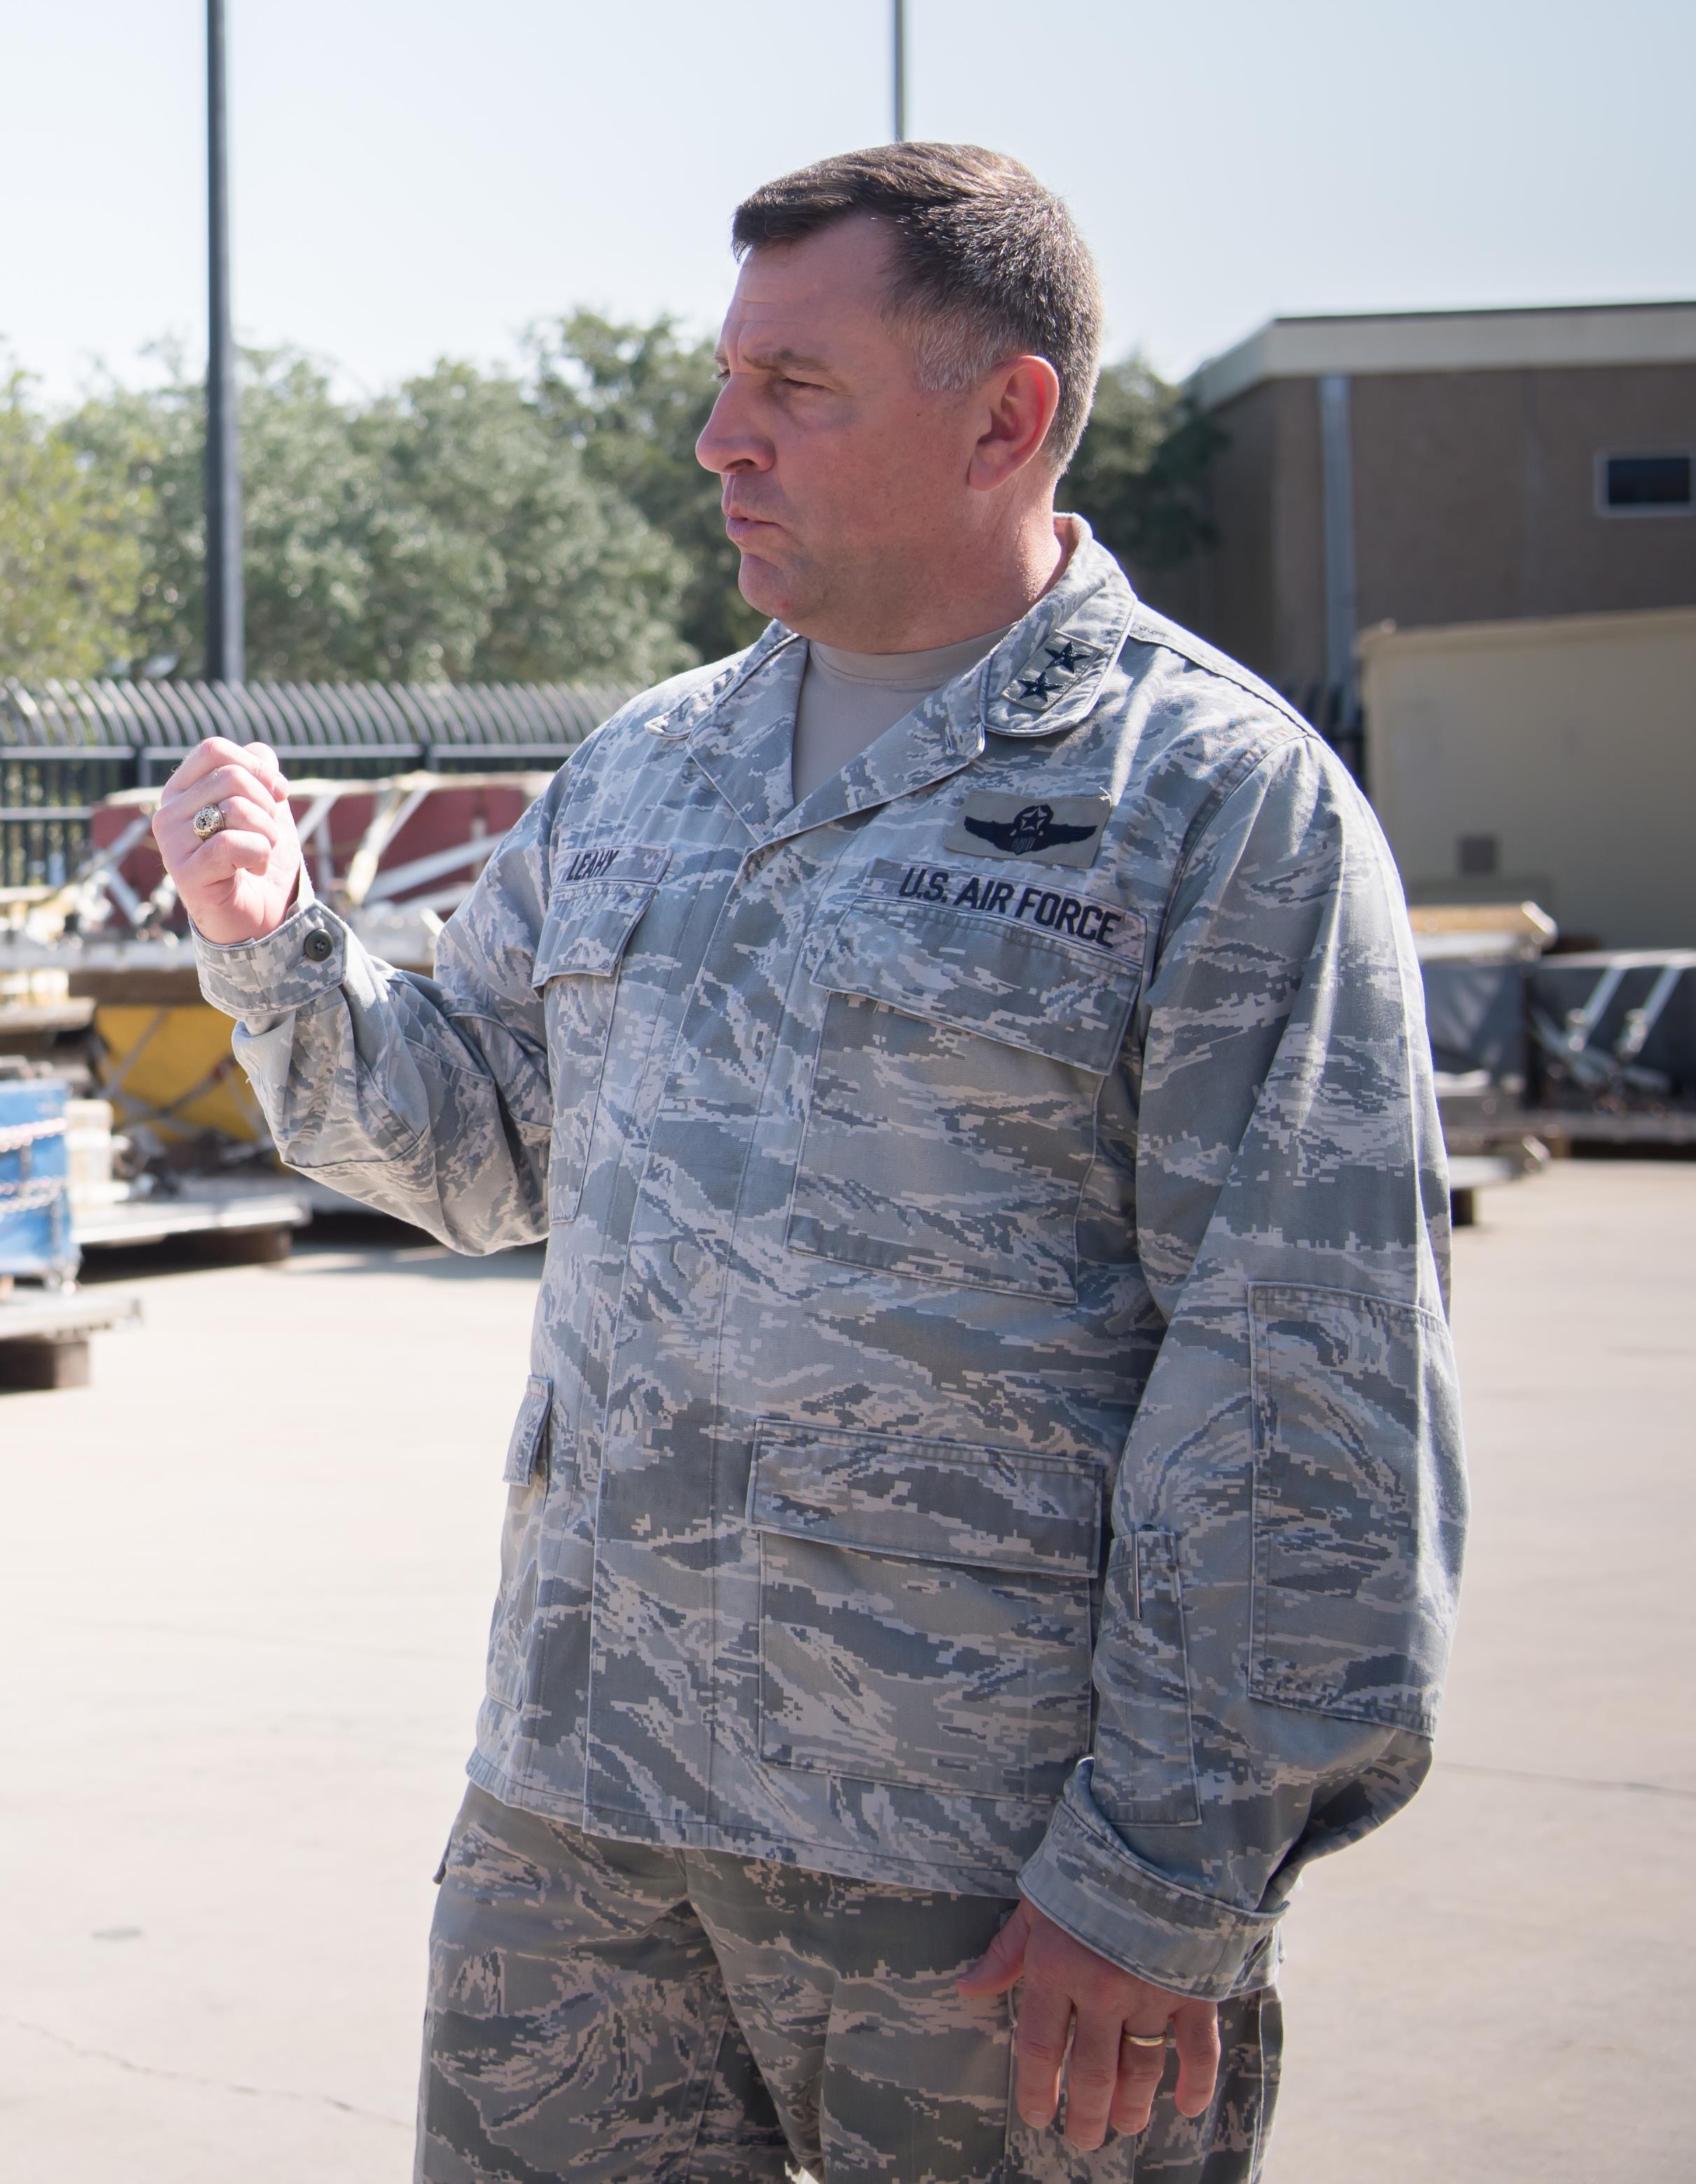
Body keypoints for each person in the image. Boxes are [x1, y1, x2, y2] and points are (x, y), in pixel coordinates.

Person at [162, 144, 1463, 2183]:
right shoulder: (652, 770)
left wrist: (1168, 1880)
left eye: (799, 387)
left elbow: (1307, 1382)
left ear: (1006, 417)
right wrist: (274, 951)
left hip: (995, 1879)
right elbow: (473, 1148)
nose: (717, 439)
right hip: (588, 1831)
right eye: (726, 376)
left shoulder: (1209, 806)